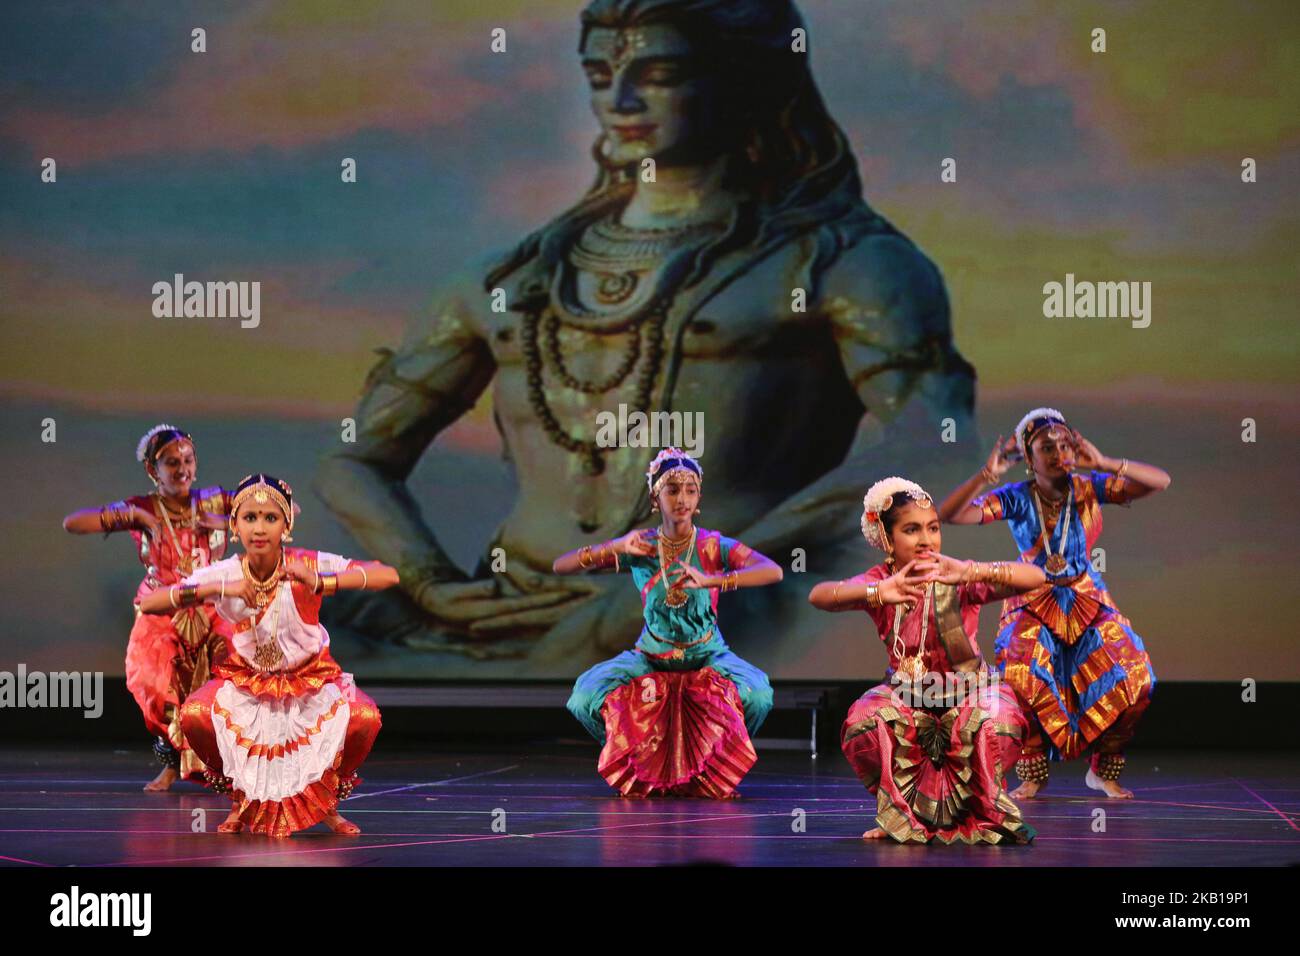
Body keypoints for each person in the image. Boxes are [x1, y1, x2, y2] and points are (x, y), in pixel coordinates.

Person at [315, 0, 976, 674]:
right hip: (501, 614)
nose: (620, 99)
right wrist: (431, 584)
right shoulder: (510, 278)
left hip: (714, 615)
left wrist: (700, 572)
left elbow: (935, 446)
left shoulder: (844, 264)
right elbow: (355, 459)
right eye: (600, 75)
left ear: (745, 79)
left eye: (659, 74)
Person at [140, 473, 396, 836]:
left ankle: (327, 804)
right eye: (250, 518)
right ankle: (240, 799)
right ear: (235, 526)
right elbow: (149, 602)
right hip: (249, 685)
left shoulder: (306, 563)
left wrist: (323, 582)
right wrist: (219, 587)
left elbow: (387, 576)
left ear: (286, 526)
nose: (259, 528)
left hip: (311, 684)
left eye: (270, 518)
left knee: (364, 717)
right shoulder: (227, 572)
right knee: (194, 714)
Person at [937, 408, 1170, 798]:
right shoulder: (1015, 497)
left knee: (1136, 678)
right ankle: (1033, 772)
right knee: (1023, 678)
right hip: (1031, 598)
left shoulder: (1089, 487)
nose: (1058, 452)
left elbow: (1160, 482)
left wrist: (1107, 463)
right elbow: (950, 514)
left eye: (1065, 444)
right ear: (1029, 459)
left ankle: (1103, 769)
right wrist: (988, 473)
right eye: (1047, 447)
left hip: (1086, 597)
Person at [810, 477, 1045, 843]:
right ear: (886, 539)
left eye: (933, 528)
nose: (926, 539)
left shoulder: (956, 574)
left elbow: (1036, 576)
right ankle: (899, 818)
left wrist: (972, 571)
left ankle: (983, 815)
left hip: (969, 693)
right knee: (864, 721)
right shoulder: (881, 581)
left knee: (992, 720)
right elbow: (819, 595)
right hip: (909, 699)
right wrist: (877, 593)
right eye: (911, 529)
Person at [556, 448, 781, 796]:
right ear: (654, 497)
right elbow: (563, 566)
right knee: (584, 697)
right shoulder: (640, 546)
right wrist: (616, 545)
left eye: (691, 490)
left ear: (699, 496)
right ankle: (638, 761)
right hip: (651, 656)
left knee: (759, 695)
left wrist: (714, 581)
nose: (682, 499)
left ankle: (715, 772)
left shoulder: (712, 545)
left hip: (708, 653)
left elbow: (772, 570)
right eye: (672, 490)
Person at [62, 424, 232, 790]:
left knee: (229, 685)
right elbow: (73, 523)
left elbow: (287, 509)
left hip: (213, 608)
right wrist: (134, 518)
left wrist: (226, 521)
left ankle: (227, 770)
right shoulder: (143, 508)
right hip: (161, 609)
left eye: (188, 460)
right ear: (153, 471)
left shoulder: (216, 501)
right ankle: (172, 765)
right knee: (155, 687)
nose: (182, 469)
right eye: (171, 463)